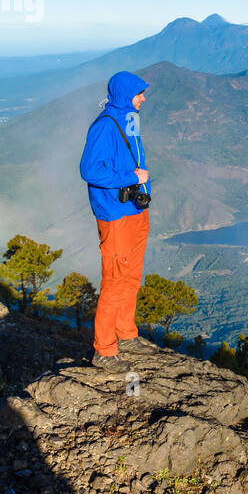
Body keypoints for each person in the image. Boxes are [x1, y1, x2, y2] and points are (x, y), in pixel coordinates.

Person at [78, 71, 152, 371]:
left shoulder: (129, 118)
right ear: (125, 95)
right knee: (114, 279)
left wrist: (139, 185)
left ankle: (126, 333)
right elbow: (89, 170)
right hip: (116, 214)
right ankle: (104, 350)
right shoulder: (104, 127)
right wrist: (130, 177)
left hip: (136, 209)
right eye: (140, 93)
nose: (143, 98)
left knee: (132, 275)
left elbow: (133, 155)